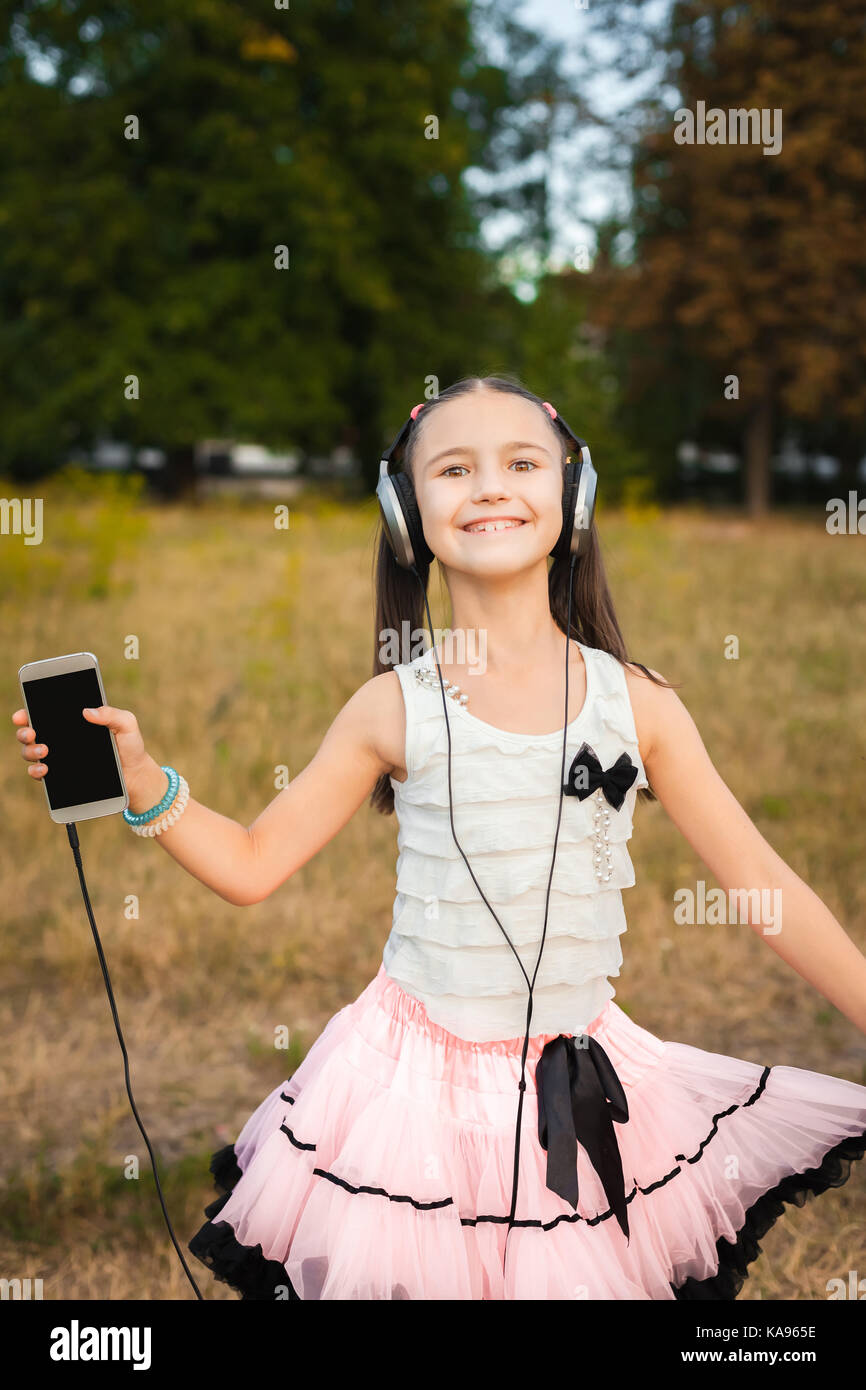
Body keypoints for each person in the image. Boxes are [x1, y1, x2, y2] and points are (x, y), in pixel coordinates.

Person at [14, 375, 866, 1300]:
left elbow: (763, 887)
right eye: (454, 469)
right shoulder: (394, 707)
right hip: (412, 1098)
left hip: (581, 1082)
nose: (491, 487)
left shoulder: (640, 705)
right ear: (406, 516)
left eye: (522, 463)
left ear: (572, 499)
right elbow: (252, 867)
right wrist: (146, 784)